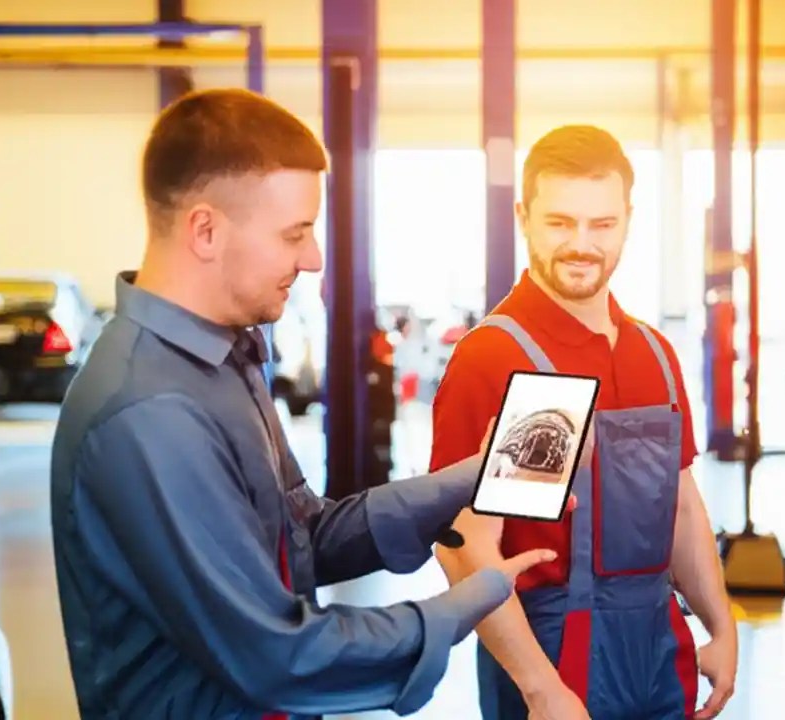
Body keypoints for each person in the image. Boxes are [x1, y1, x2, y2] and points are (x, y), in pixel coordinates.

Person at [49, 88, 557, 720]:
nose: (314, 259)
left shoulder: (226, 357)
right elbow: (273, 655)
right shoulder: (150, 412)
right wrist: (455, 608)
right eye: (295, 234)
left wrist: (468, 479)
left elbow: (304, 537)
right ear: (204, 230)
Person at [430, 125, 740, 720]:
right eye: (559, 222)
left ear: (627, 218)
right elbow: (464, 549)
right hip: (548, 654)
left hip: (656, 647)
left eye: (602, 224)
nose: (581, 244)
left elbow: (678, 505)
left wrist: (720, 625)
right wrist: (541, 690)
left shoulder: (653, 353)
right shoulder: (496, 356)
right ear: (524, 217)